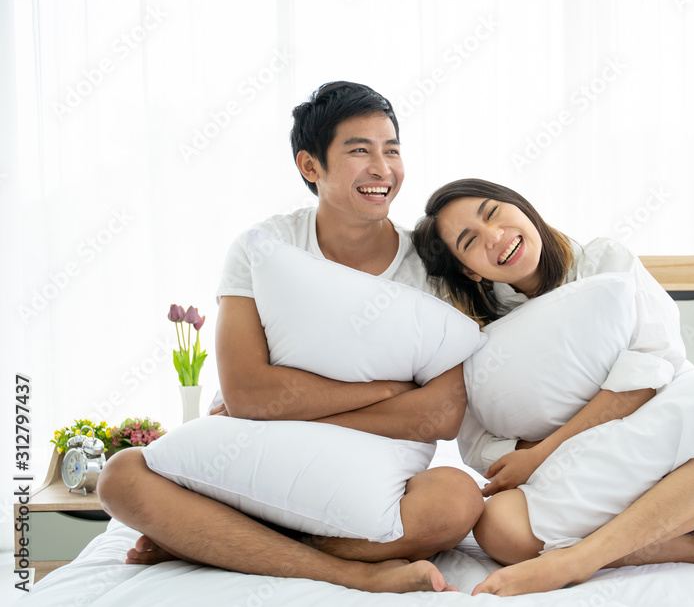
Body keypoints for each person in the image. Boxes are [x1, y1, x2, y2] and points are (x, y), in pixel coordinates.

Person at [97, 82, 484, 594]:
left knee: (457, 500)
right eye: (359, 151)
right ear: (310, 166)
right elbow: (248, 394)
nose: (382, 168)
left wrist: (292, 401)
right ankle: (346, 571)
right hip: (254, 454)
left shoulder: (430, 265)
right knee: (120, 477)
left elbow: (439, 415)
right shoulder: (265, 247)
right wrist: (389, 393)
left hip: (366, 470)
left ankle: (219, 540)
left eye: (391, 149)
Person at [411, 178, 694, 596]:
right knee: (496, 528)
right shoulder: (475, 330)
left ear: (521, 206)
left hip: (652, 431)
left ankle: (581, 559)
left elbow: (652, 368)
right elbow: (481, 445)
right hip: (582, 470)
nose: (495, 237)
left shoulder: (604, 260)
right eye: (470, 242)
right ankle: (688, 543)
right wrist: (539, 458)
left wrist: (545, 449)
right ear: (470, 270)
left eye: (493, 213)